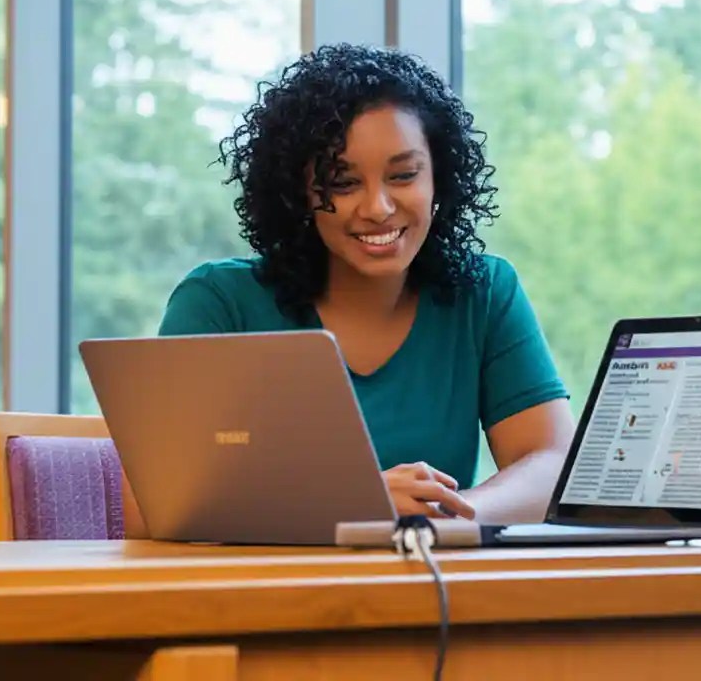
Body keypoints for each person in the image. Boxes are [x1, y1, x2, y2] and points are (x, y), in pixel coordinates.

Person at [158, 43, 575, 524]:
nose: (377, 207)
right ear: (298, 191)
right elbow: (152, 504)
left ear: (440, 177)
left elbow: (552, 464)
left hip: (430, 586)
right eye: (342, 183)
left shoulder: (483, 292)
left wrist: (445, 517)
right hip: (258, 595)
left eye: (403, 175)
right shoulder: (219, 302)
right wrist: (359, 503)